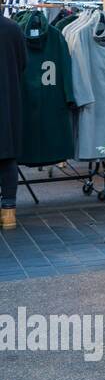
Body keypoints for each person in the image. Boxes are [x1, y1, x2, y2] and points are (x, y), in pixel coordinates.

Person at [0, 13, 25, 229]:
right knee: (7, 157)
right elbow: (22, 63)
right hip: (7, 100)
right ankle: (9, 213)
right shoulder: (13, 28)